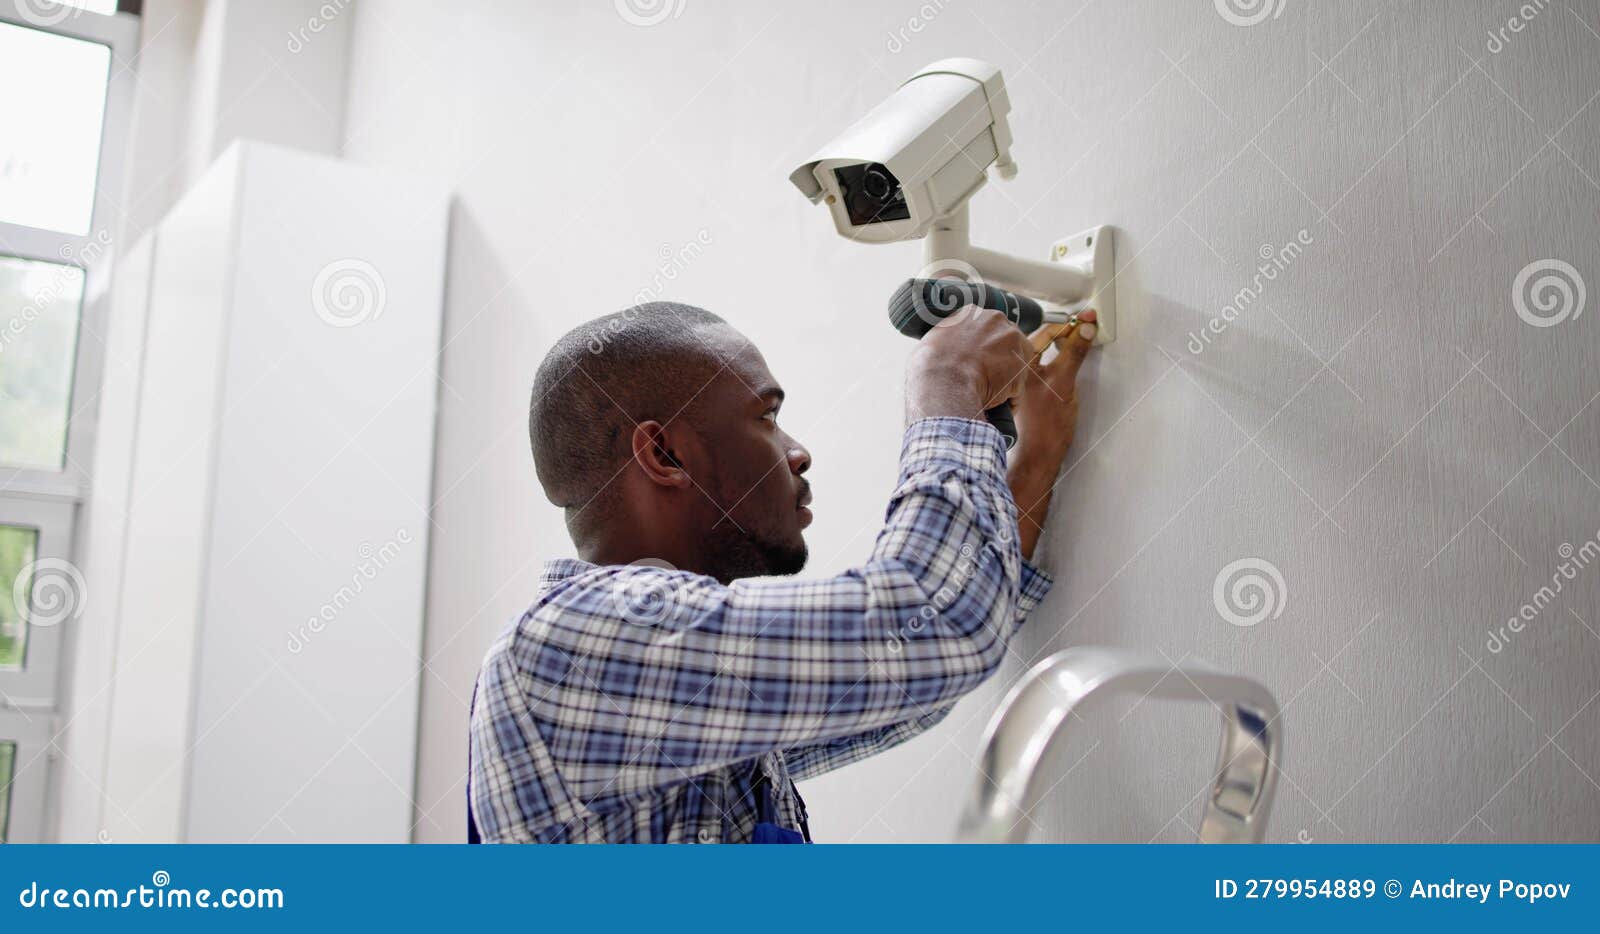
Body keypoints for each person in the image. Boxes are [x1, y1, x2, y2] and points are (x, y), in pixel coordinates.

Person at [467, 300, 1097, 843]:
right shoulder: (574, 645)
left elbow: (906, 684)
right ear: (664, 454)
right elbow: (929, 628)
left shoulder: (661, 676)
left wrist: (1035, 458)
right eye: (766, 416)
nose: (798, 452)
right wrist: (946, 377)